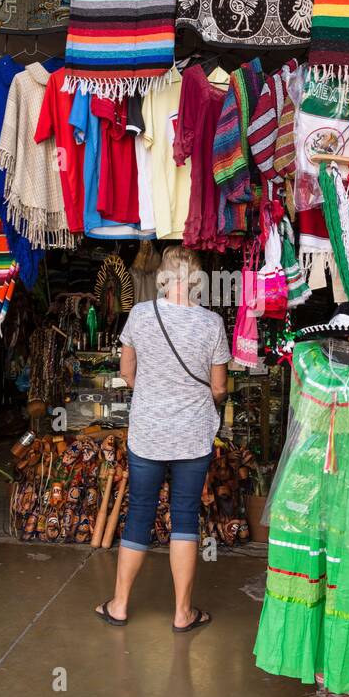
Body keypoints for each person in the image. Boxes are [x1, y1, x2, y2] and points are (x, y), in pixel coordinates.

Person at [95, 246, 229, 631]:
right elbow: (219, 387)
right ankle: (182, 613)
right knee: (185, 515)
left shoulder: (139, 315)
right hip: (192, 434)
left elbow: (128, 372)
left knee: (139, 511)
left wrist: (155, 393)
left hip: (148, 433)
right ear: (198, 280)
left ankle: (119, 605)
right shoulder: (211, 324)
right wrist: (195, 395)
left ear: (164, 280)